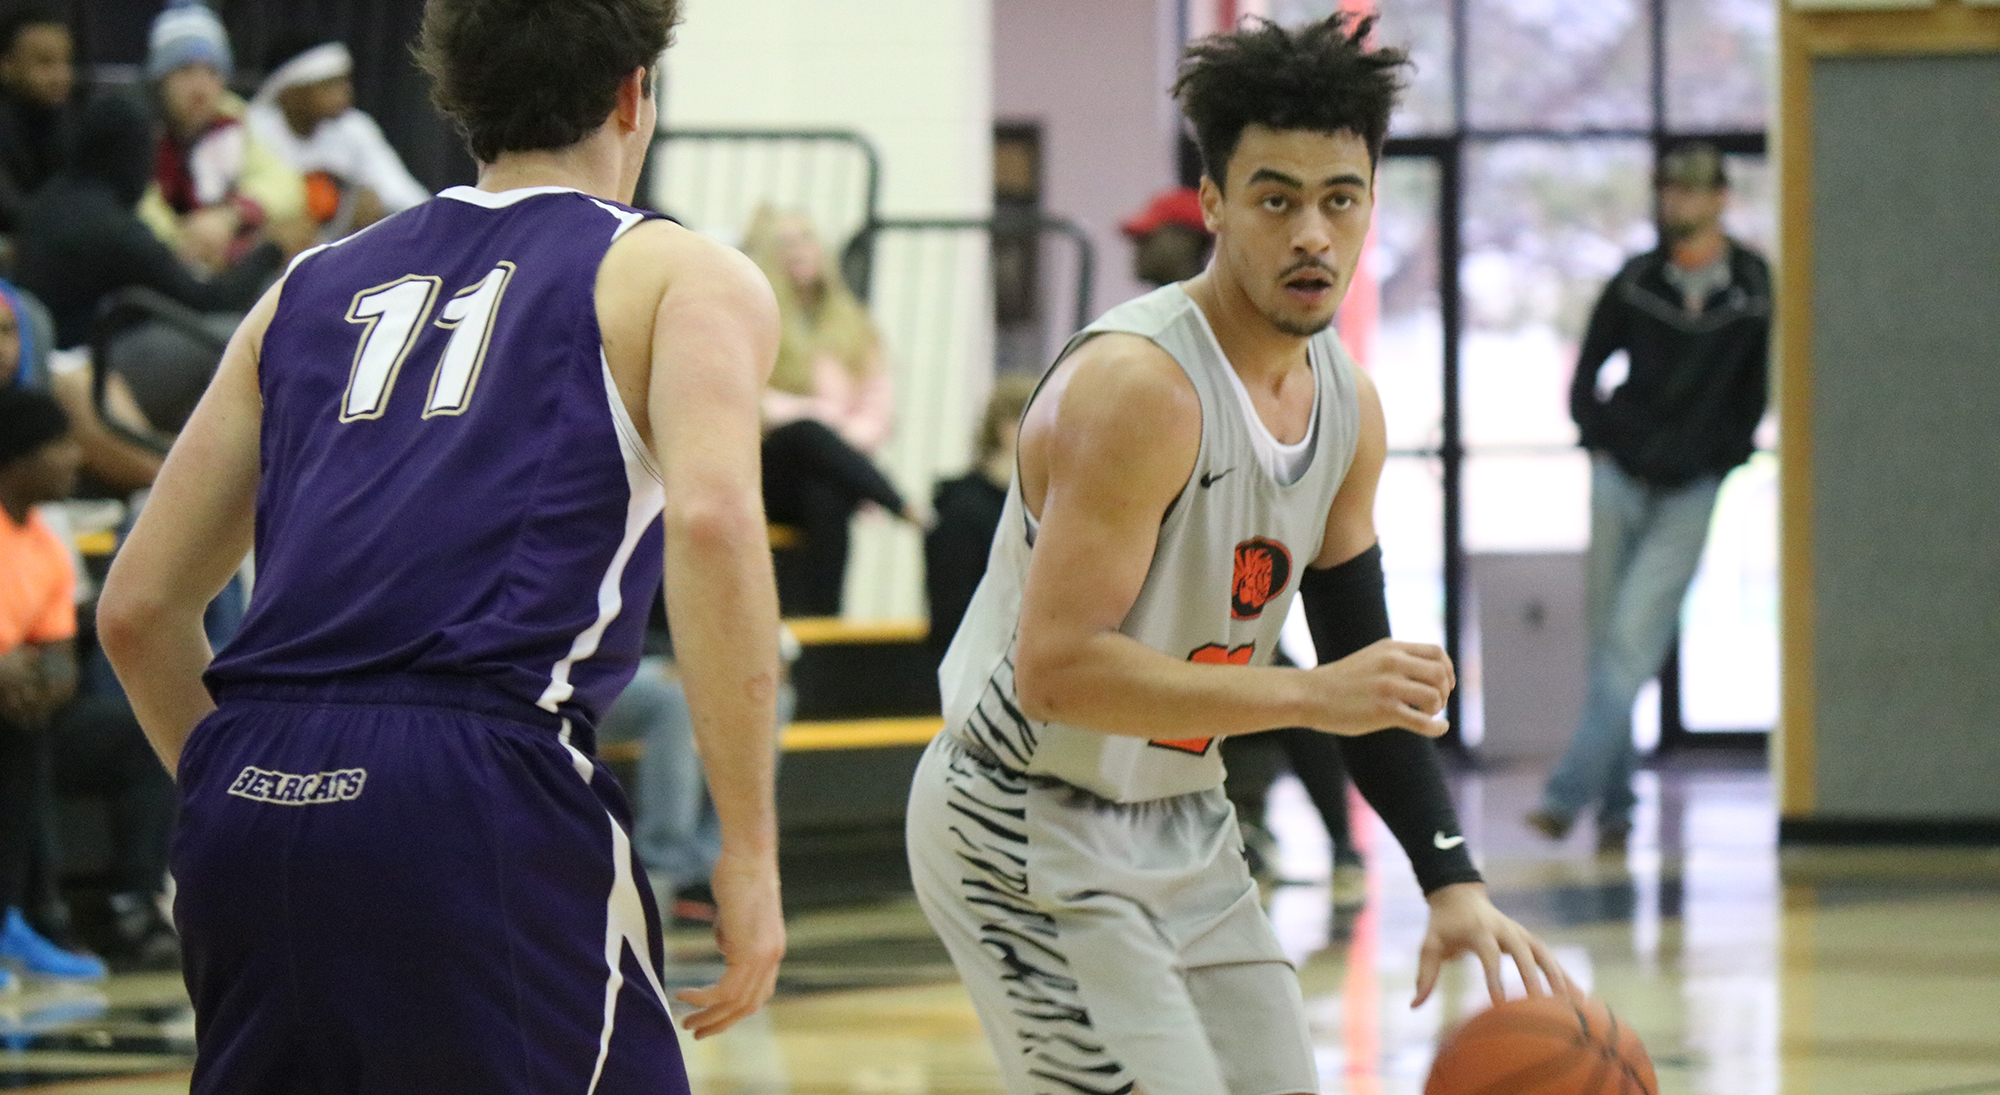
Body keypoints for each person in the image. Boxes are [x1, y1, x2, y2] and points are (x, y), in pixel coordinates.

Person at [96, 0, 785, 1090]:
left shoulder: (306, 287)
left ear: (455, 99)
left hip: (250, 789)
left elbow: (136, 612)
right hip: (474, 786)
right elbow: (710, 523)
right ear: (631, 93)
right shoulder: (678, 272)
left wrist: (264, 789)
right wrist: (746, 853)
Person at [906, 16, 1569, 1095]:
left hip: (1180, 816)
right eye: (1274, 198)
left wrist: (1449, 878)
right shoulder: (1141, 391)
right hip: (1020, 813)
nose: (1311, 233)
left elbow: (1364, 666)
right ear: (1213, 203)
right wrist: (1311, 694)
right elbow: (1056, 671)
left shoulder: (1347, 407)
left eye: (1337, 199)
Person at [1526, 142, 1772, 853]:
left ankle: (1565, 793)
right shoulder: (1636, 280)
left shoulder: (1753, 287)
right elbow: (1589, 373)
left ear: (1721, 199)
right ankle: (1616, 807)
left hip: (1692, 488)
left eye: (1691, 192)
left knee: (1632, 641)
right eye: (1669, 191)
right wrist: (1602, 434)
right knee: (1608, 643)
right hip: (1620, 476)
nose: (1678, 204)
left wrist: (1719, 455)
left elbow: (1751, 393)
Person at [1122, 181, 1364, 898]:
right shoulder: (1147, 338)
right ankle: (1253, 832)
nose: (1138, 250)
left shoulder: (1273, 339)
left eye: (1150, 238)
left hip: (1244, 539)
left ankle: (1333, 840)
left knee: (1284, 689)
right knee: (1259, 691)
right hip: (1179, 542)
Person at [0, 387, 114, 983]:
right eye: (60, 445)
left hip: (15, 709)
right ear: (18, 458)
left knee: (38, 729)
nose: (76, 457)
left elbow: (59, 652)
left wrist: (47, 687)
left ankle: (15, 920)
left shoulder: (47, 539)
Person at [136, 0, 307, 276]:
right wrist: (190, 238)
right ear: (160, 80)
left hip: (226, 259)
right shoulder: (139, 129)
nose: (200, 87)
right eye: (185, 71)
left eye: (212, 72)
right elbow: (139, 208)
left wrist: (229, 217)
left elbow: (286, 185)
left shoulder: (230, 120)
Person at [244, 32, 431, 239]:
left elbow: (404, 195)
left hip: (338, 250)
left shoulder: (354, 128)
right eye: (329, 84)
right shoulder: (250, 129)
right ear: (290, 93)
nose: (346, 92)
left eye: (344, 81)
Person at [923, 372, 1036, 658]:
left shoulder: (1031, 504)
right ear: (1009, 429)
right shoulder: (961, 510)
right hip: (981, 671)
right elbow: (953, 617)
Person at [0, 1, 74, 238]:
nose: (60, 76)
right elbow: (10, 210)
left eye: (66, 62)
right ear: (6, 65)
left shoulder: (71, 124)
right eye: (45, 62)